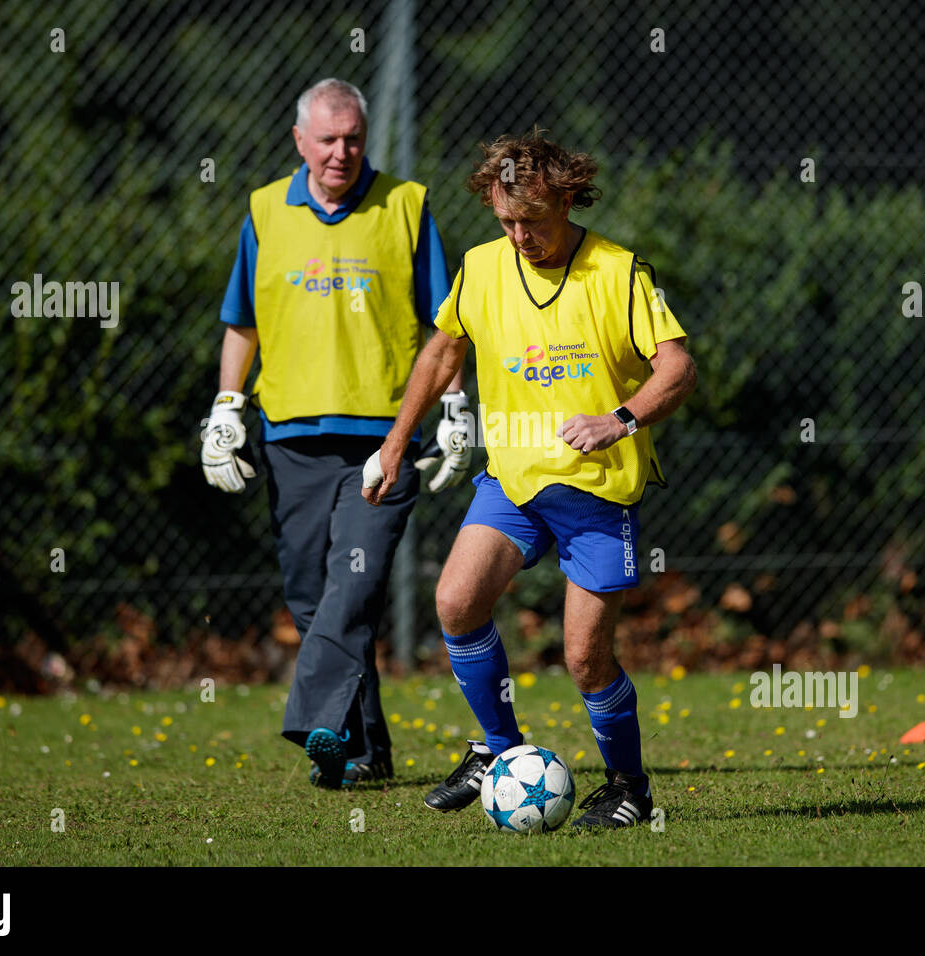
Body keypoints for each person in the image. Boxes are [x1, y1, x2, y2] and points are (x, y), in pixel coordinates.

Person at [363, 131, 696, 827]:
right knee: (456, 602)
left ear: (567, 198)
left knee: (584, 659)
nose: (518, 235)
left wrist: (621, 419)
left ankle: (629, 788)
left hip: (599, 489)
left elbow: (678, 369)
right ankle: (498, 749)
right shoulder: (483, 268)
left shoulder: (618, 272)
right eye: (505, 220)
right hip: (513, 480)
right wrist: (397, 441)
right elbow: (441, 352)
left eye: (533, 220)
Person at [200, 78, 469, 790]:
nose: (341, 153)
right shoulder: (263, 212)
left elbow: (447, 324)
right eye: (327, 139)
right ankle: (360, 750)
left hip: (386, 436)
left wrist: (456, 409)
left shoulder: (405, 207)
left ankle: (315, 722)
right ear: (300, 141)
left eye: (353, 138)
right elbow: (242, 321)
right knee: (315, 599)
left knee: (355, 582)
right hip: (289, 436)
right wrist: (226, 407)